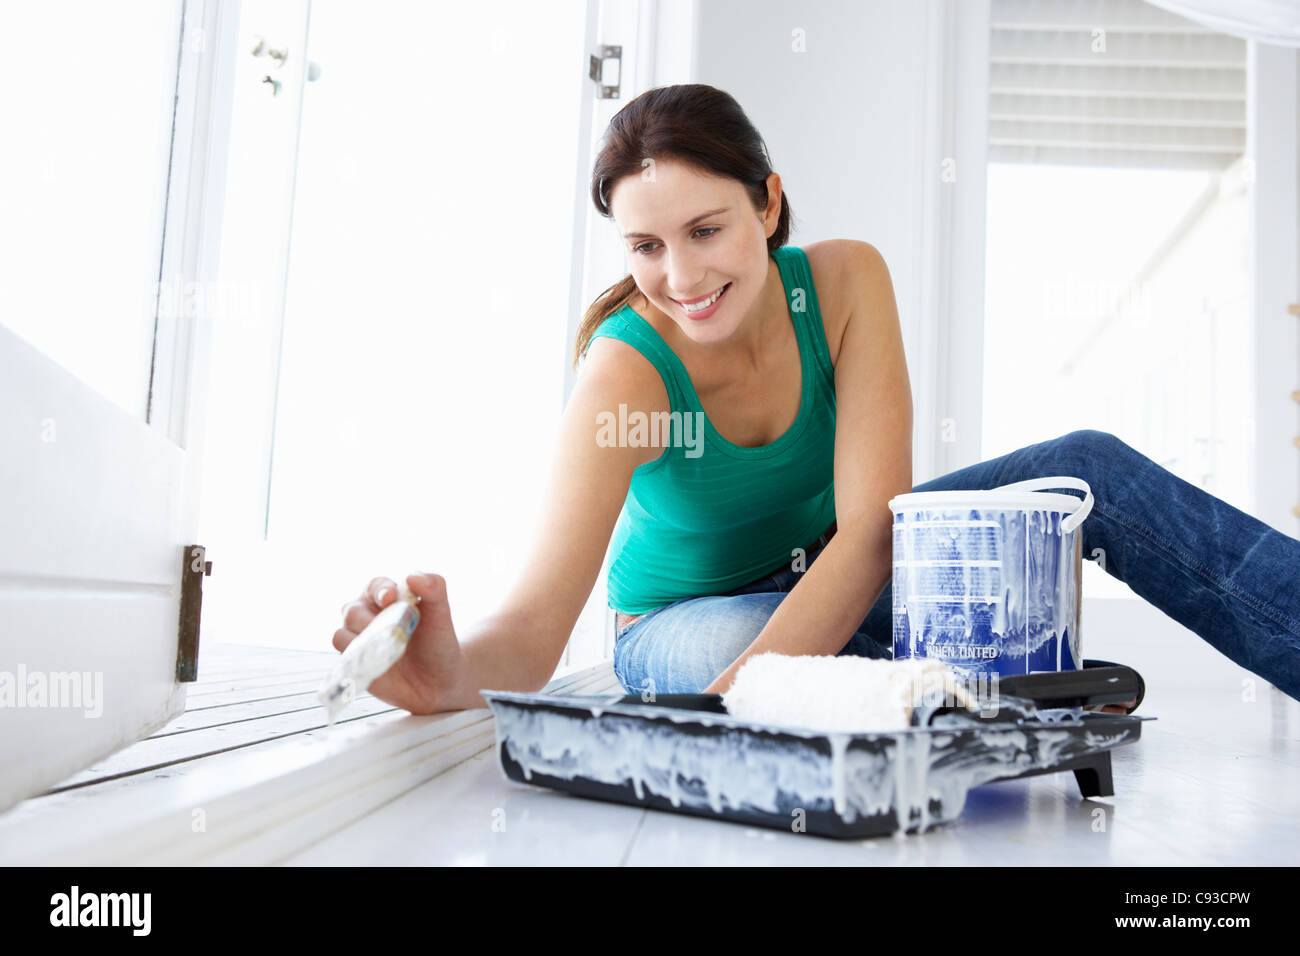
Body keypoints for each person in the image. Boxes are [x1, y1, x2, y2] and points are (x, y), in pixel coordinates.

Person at [332, 84, 1300, 717]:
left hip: (848, 565)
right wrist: (451, 673)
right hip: (690, 619)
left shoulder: (841, 286)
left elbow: (877, 529)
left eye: (705, 229)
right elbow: (536, 635)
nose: (678, 276)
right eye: (644, 247)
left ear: (767, 202)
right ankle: (936, 686)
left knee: (1085, 467)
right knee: (778, 644)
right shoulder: (622, 374)